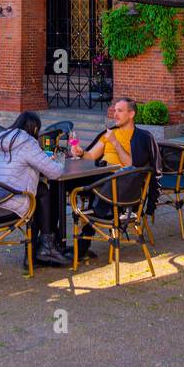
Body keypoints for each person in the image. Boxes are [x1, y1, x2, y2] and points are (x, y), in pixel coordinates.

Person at [72, 97, 161, 256]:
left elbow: (131, 168)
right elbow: (92, 156)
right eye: (114, 110)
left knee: (107, 185)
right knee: (60, 184)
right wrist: (81, 153)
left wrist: (115, 143)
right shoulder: (109, 133)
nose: (115, 114)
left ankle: (91, 221)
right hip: (100, 180)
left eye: (120, 111)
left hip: (124, 187)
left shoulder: (142, 137)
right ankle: (52, 244)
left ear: (131, 114)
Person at [0, 112, 70, 267]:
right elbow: (55, 172)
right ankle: (47, 246)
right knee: (38, 195)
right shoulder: (27, 143)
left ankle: (34, 255)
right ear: (35, 129)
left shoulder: (2, 138)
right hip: (4, 207)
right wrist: (58, 161)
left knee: (38, 192)